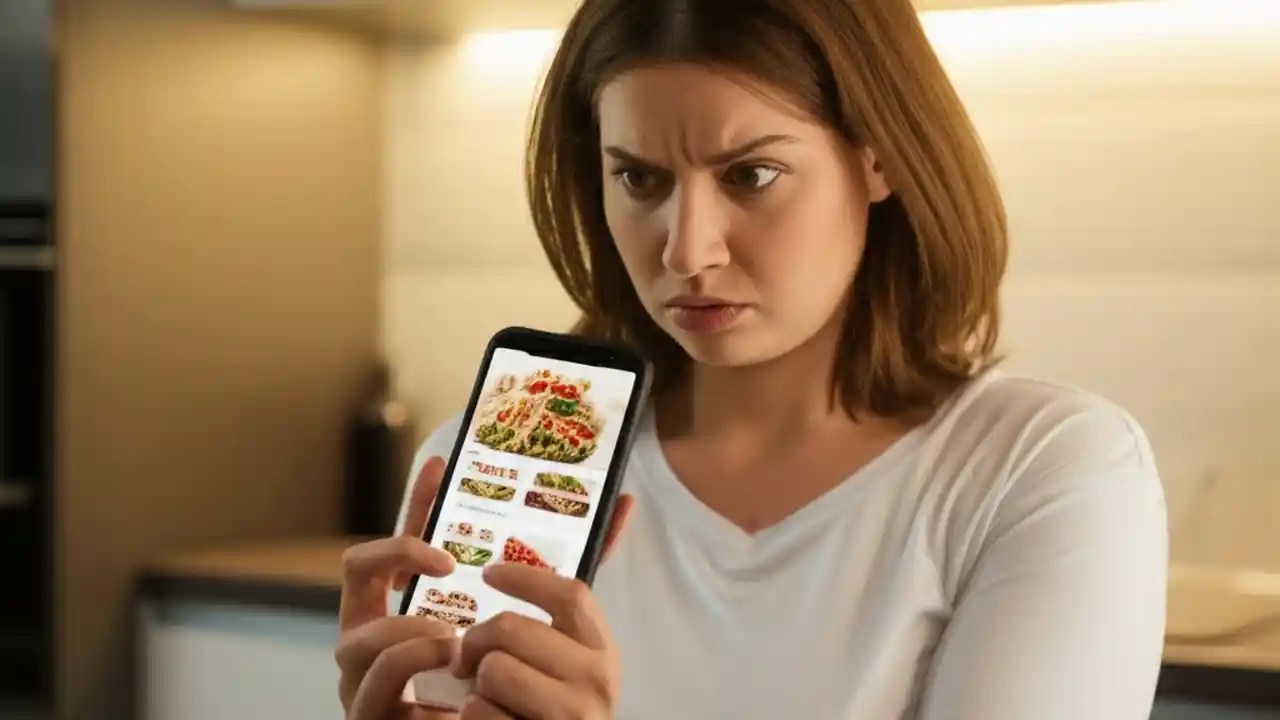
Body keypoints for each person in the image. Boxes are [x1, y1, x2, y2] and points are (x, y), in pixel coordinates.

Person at [334, 0, 1169, 717]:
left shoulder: (1041, 470)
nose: (688, 251)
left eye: (751, 174)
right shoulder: (491, 466)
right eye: (639, 180)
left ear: (878, 156)